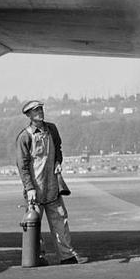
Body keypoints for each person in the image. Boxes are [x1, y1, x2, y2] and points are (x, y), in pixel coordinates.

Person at [16, 100, 86, 265]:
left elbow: (58, 149)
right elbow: (22, 165)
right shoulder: (24, 137)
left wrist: (58, 162)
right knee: (34, 223)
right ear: (28, 115)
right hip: (35, 188)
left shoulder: (52, 130)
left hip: (52, 186)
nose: (40, 112)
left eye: (40, 109)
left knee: (61, 220)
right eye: (35, 111)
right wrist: (29, 187)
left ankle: (67, 256)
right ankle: (36, 257)